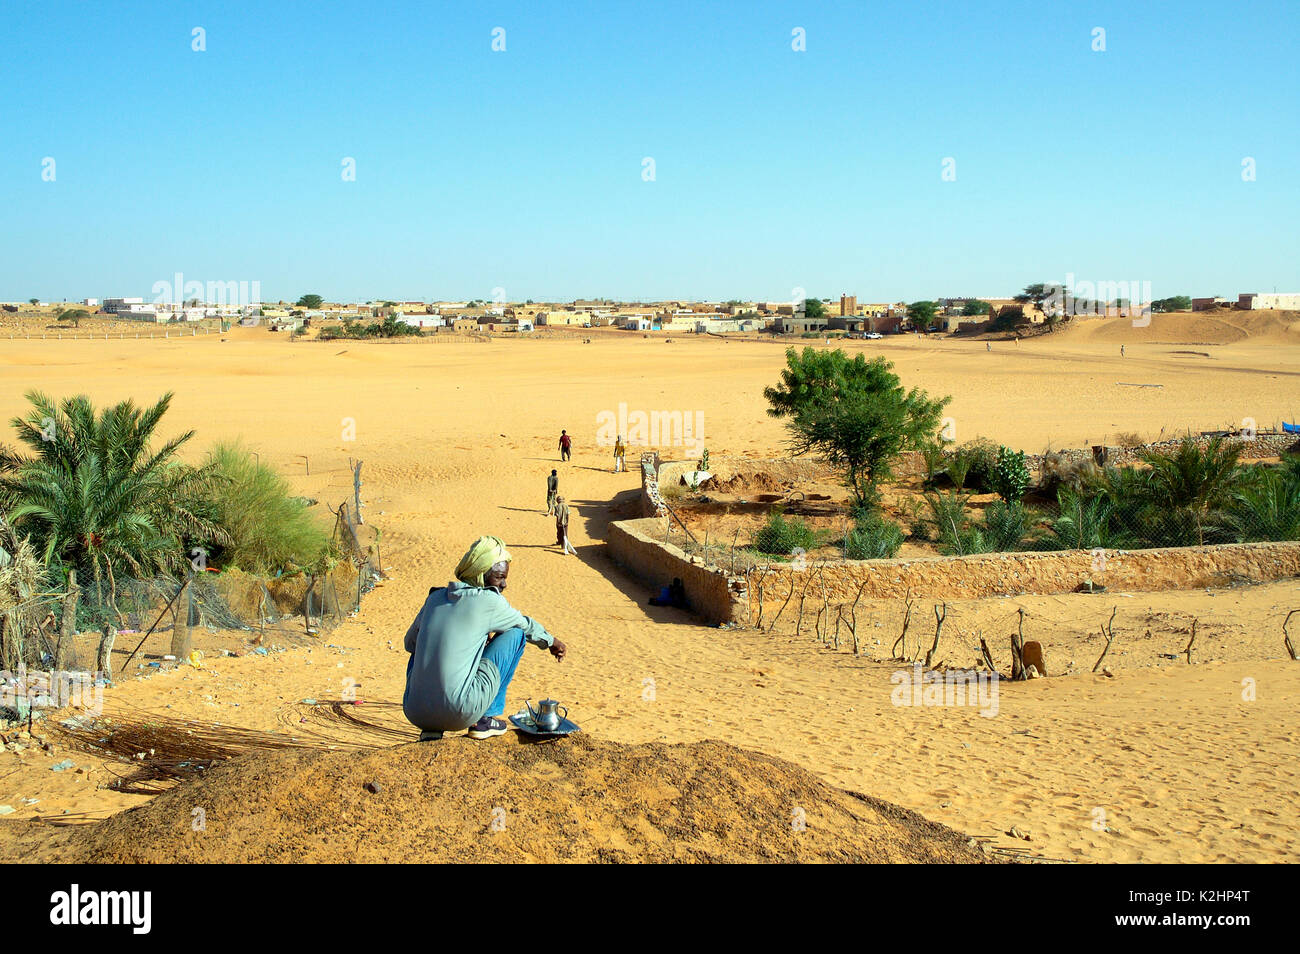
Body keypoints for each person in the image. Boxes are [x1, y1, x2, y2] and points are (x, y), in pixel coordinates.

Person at [402, 535, 566, 741]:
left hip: (416, 711)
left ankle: (432, 728)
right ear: (481, 576)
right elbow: (524, 625)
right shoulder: (489, 600)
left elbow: (409, 644)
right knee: (515, 633)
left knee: (422, 647)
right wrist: (552, 642)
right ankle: (485, 720)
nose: (504, 584)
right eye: (499, 577)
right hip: (460, 712)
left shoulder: (434, 598)